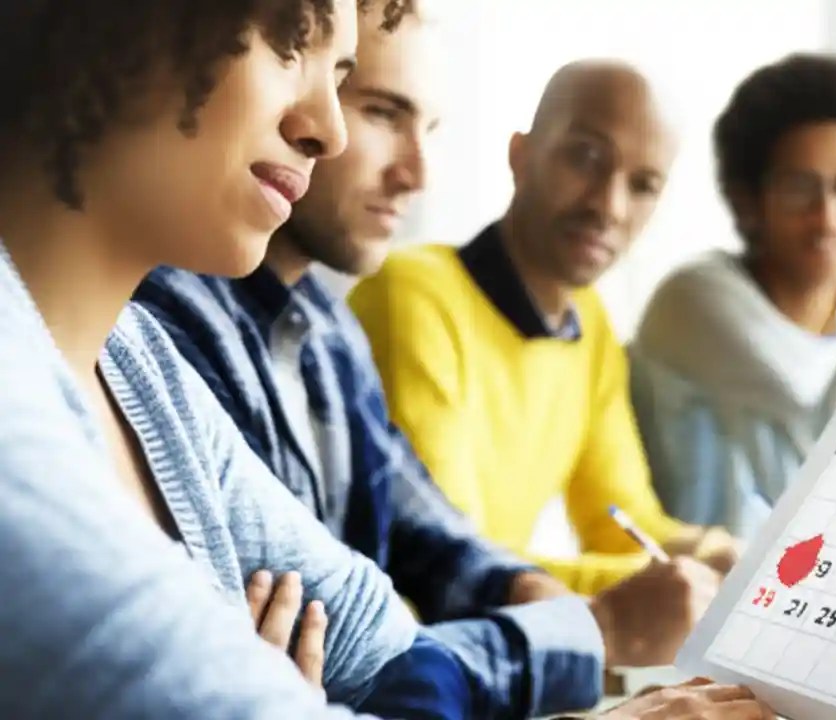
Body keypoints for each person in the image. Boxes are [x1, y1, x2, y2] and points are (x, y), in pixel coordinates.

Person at [0, 1, 773, 718]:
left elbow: (383, 640)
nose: (326, 131)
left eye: (340, 80)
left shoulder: (144, 363)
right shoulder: (75, 370)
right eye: (289, 44)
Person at [133, 6, 702, 675]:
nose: (418, 173)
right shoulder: (177, 319)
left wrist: (557, 602)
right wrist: (594, 629)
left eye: (429, 127)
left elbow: (431, 537)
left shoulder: (328, 330)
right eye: (381, 111)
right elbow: (333, 640)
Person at [347, 59, 739, 618]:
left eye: (643, 185)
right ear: (520, 155)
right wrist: (677, 585)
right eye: (585, 156)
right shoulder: (411, 293)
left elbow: (620, 521)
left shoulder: (590, 322)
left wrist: (719, 555)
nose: (609, 205)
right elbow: (457, 559)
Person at [627, 53, 836, 537]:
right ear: (751, 200)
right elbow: (821, 457)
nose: (826, 219)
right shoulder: (694, 298)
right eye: (801, 189)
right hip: (706, 588)